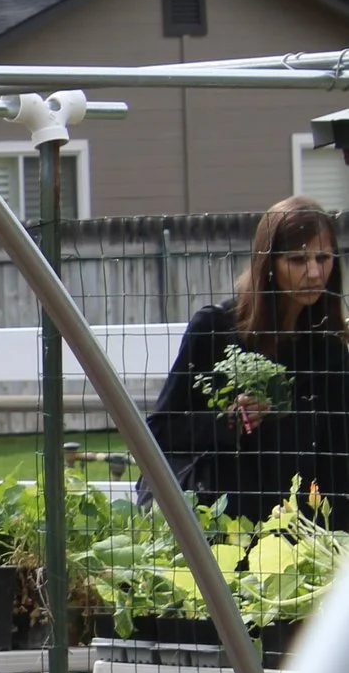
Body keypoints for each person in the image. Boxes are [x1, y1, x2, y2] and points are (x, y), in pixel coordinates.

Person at [149, 195, 349, 523]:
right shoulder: (215, 329)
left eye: (323, 258)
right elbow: (160, 431)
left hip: (306, 533)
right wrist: (230, 422)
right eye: (298, 260)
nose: (314, 272)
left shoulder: (328, 347)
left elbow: (340, 459)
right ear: (268, 265)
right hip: (225, 526)